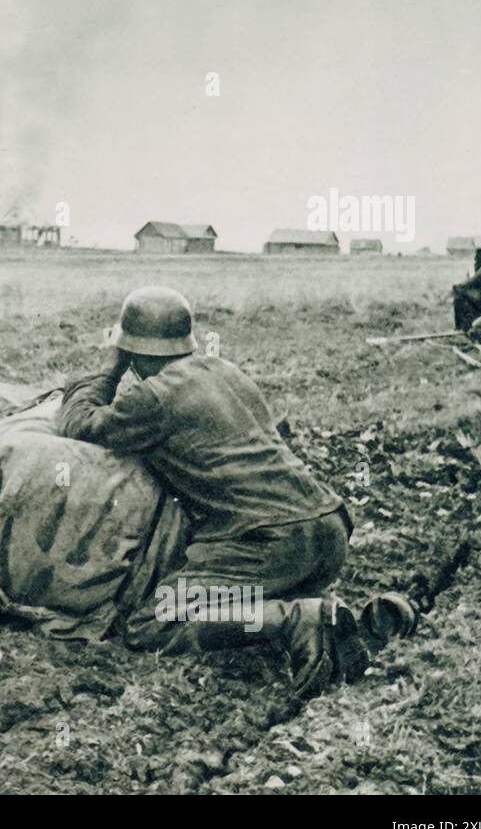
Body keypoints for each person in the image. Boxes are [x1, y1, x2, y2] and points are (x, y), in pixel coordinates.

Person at [56, 286, 377, 698]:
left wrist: (111, 368)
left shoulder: (153, 398)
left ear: (132, 348)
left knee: (153, 622)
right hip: (329, 531)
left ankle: (293, 618)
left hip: (268, 544)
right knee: (244, 596)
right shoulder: (226, 371)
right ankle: (353, 622)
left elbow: (77, 424)